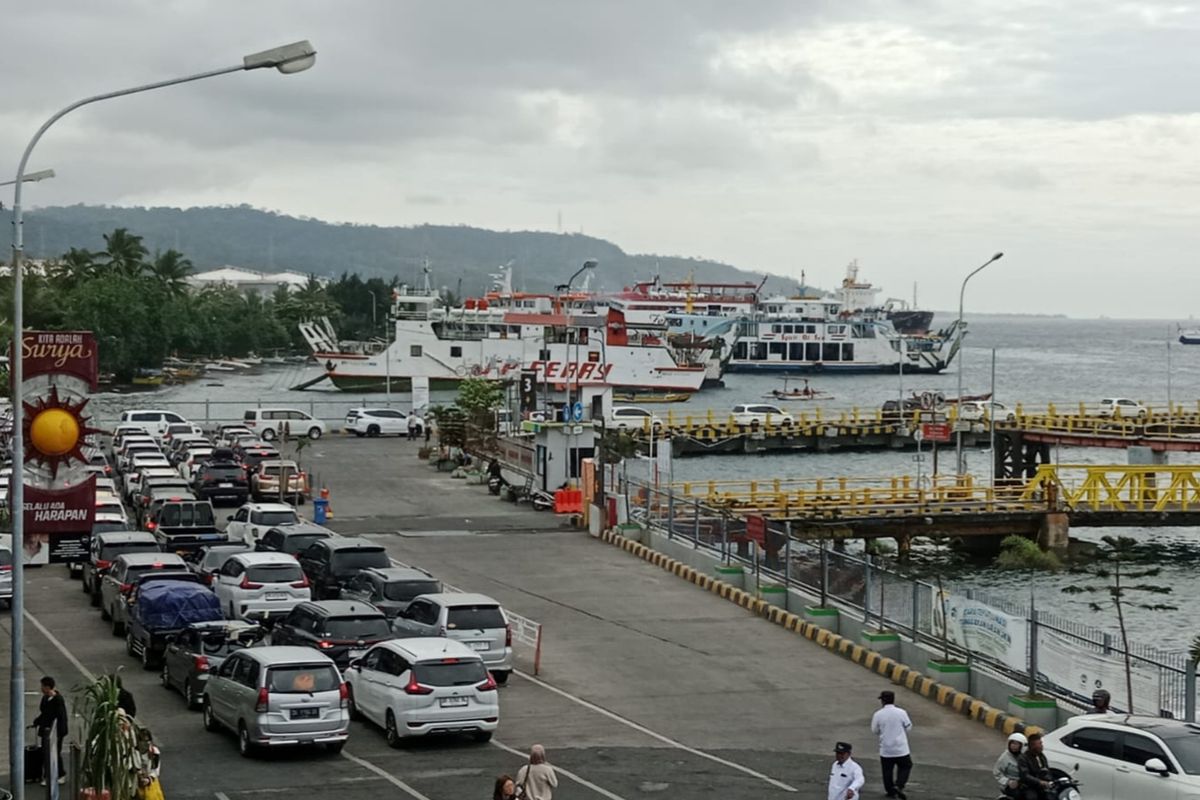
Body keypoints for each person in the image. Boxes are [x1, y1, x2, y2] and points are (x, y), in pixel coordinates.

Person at [870, 690, 913, 799]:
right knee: (906, 766)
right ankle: (899, 785)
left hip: (886, 748)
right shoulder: (901, 712)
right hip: (901, 748)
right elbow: (908, 727)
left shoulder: (878, 714)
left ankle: (890, 790)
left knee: (887, 770)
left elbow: (874, 730)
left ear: (883, 701)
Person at [32, 675, 68, 785]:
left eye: (43, 686)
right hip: (46, 730)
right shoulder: (45, 698)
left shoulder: (58, 700)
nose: (41, 688)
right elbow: (44, 713)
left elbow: (59, 717)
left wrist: (58, 732)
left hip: (55, 731)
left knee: (54, 753)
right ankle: (48, 775)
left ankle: (59, 774)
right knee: (46, 753)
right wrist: (37, 721)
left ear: (48, 687)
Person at [1017, 731, 1051, 800]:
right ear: (1032, 745)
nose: (1042, 745)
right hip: (1028, 786)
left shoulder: (1041, 756)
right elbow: (1025, 775)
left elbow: (1046, 770)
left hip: (1041, 785)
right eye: (1040, 743)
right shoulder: (1023, 758)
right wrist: (1039, 782)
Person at [993, 732, 1026, 798]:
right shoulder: (1005, 757)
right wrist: (1008, 782)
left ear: (1022, 746)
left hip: (1025, 783)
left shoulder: (1026, 757)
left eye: (1016, 744)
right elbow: (997, 772)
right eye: (1012, 743)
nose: (1013, 746)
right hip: (1010, 785)